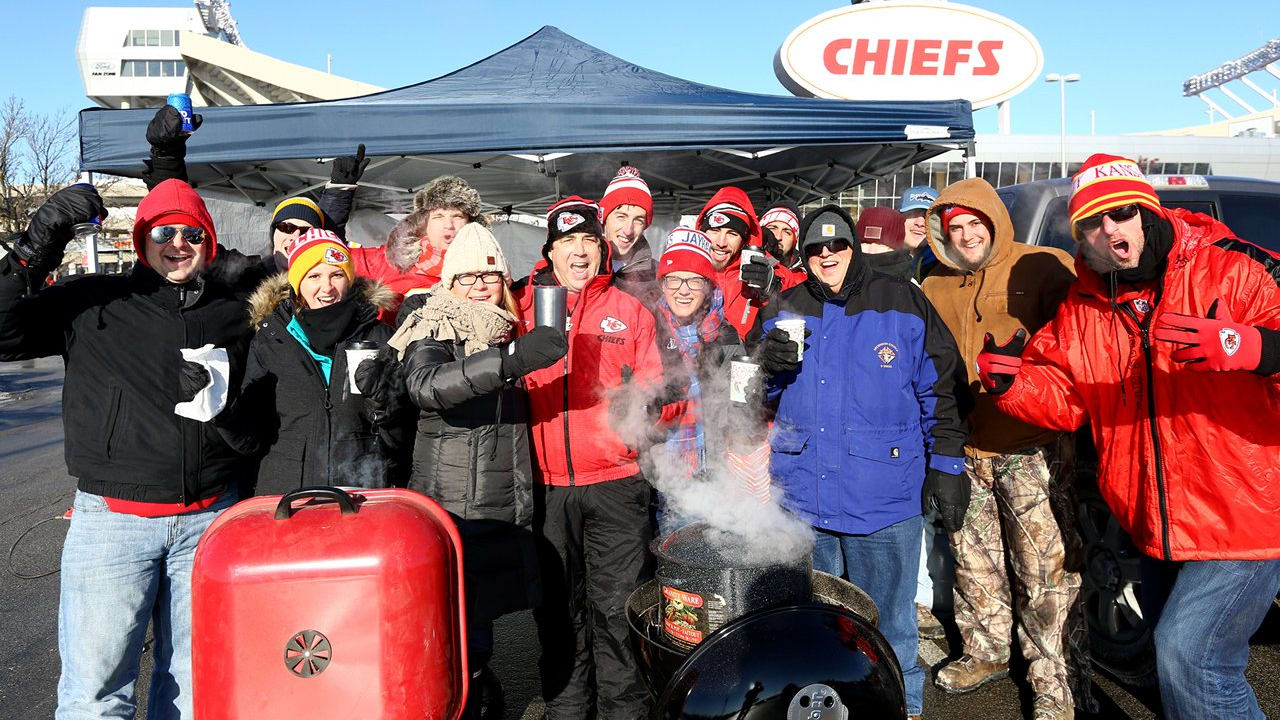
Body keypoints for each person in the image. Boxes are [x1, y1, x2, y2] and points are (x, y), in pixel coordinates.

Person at [986, 154, 1280, 720]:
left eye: (1122, 213)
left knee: (1193, 659)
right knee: (1178, 669)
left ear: (1147, 211)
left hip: (1246, 515)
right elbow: (1065, 394)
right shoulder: (1083, 306)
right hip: (1157, 521)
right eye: (1092, 222)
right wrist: (1012, 383)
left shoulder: (1236, 268)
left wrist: (1255, 348)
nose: (1110, 230)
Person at [0, 180, 256, 718]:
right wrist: (35, 245)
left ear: (209, 242)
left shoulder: (232, 312)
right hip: (114, 524)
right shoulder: (92, 300)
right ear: (141, 240)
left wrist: (230, 417)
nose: (178, 244)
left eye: (192, 234)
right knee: (96, 696)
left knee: (194, 691)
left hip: (210, 522)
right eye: (163, 233)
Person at [756, 204, 969, 720]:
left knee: (888, 620)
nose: (827, 254)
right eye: (815, 247)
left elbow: (942, 387)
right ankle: (822, 709)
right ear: (804, 254)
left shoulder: (902, 301)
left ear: (853, 247)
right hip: (803, 500)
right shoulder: (784, 306)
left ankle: (900, 707)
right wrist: (763, 367)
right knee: (815, 624)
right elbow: (747, 399)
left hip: (884, 497)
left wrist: (947, 464)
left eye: (837, 244)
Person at [921, 178, 1089, 720]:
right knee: (974, 562)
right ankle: (986, 651)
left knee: (1044, 573)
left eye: (977, 223)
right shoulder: (935, 284)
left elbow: (1079, 342)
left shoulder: (1042, 266)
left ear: (995, 222)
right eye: (956, 228)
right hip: (968, 450)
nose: (967, 235)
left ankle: (1053, 682)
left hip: (1032, 449)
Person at [389, 222, 568, 719]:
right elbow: (427, 385)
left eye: (489, 276)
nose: (478, 286)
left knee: (478, 623)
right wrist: (508, 361)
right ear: (449, 282)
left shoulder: (509, 328)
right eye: (466, 277)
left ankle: (477, 696)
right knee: (454, 625)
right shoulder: (434, 324)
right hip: (452, 501)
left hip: (498, 498)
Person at [513, 196, 665, 719]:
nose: (579, 252)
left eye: (588, 241)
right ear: (549, 252)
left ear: (602, 249)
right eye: (567, 242)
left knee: (619, 615)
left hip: (617, 485)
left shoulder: (630, 310)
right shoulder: (519, 308)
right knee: (559, 617)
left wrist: (646, 406)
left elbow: (657, 389)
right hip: (547, 487)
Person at [215, 228, 402, 495]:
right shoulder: (272, 338)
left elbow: (401, 436)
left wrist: (386, 403)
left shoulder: (379, 337)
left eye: (337, 275)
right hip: (288, 498)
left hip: (361, 493)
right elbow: (252, 438)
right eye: (314, 276)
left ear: (349, 279)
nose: (327, 287)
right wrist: (219, 409)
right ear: (297, 283)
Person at [141, 105, 366, 274]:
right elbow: (177, 214)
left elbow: (328, 240)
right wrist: (167, 157)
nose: (296, 235)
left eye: (306, 231)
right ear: (273, 235)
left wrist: (340, 191)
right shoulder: (246, 276)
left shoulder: (326, 283)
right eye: (286, 227)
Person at [648, 227, 746, 528]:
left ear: (708, 286)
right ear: (662, 284)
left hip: (714, 475)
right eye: (673, 279)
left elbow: (742, 408)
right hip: (660, 476)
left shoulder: (726, 334)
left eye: (694, 280)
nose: (683, 290)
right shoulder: (648, 328)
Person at [355, 175, 487, 322]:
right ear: (424, 223)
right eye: (439, 216)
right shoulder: (391, 259)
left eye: (458, 216)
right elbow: (337, 256)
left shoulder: (488, 270)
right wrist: (339, 198)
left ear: (470, 224)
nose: (449, 225)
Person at [696, 187, 800, 338]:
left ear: (743, 240)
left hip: (748, 352)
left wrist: (774, 285)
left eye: (732, 233)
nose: (721, 242)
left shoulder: (758, 268)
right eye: (715, 230)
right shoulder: (687, 268)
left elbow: (802, 290)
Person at [599, 166, 659, 305]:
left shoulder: (657, 275)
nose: (628, 230)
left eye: (638, 220)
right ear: (604, 219)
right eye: (621, 217)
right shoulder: (583, 267)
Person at [855, 206, 917, 282]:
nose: (872, 251)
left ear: (896, 250)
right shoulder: (843, 278)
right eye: (865, 244)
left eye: (882, 245)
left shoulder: (909, 286)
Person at [899, 185, 940, 279]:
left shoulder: (943, 268)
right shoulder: (880, 257)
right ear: (898, 217)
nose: (920, 223)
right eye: (912, 213)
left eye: (928, 216)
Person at [760, 199, 806, 275]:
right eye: (772, 228)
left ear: (794, 242)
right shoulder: (742, 260)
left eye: (787, 232)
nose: (778, 237)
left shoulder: (804, 276)